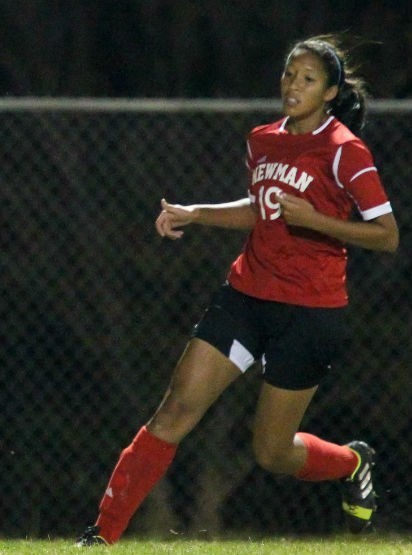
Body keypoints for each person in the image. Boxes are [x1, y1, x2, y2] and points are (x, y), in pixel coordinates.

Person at [76, 34, 399, 546]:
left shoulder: (345, 151)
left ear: (331, 93)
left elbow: (387, 235)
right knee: (176, 409)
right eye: (289, 75)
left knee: (270, 453)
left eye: (308, 79)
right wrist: (197, 213)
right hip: (246, 297)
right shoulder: (263, 139)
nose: (293, 86)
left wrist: (317, 219)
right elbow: (261, 210)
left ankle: (351, 462)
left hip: (310, 313)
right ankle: (101, 535)